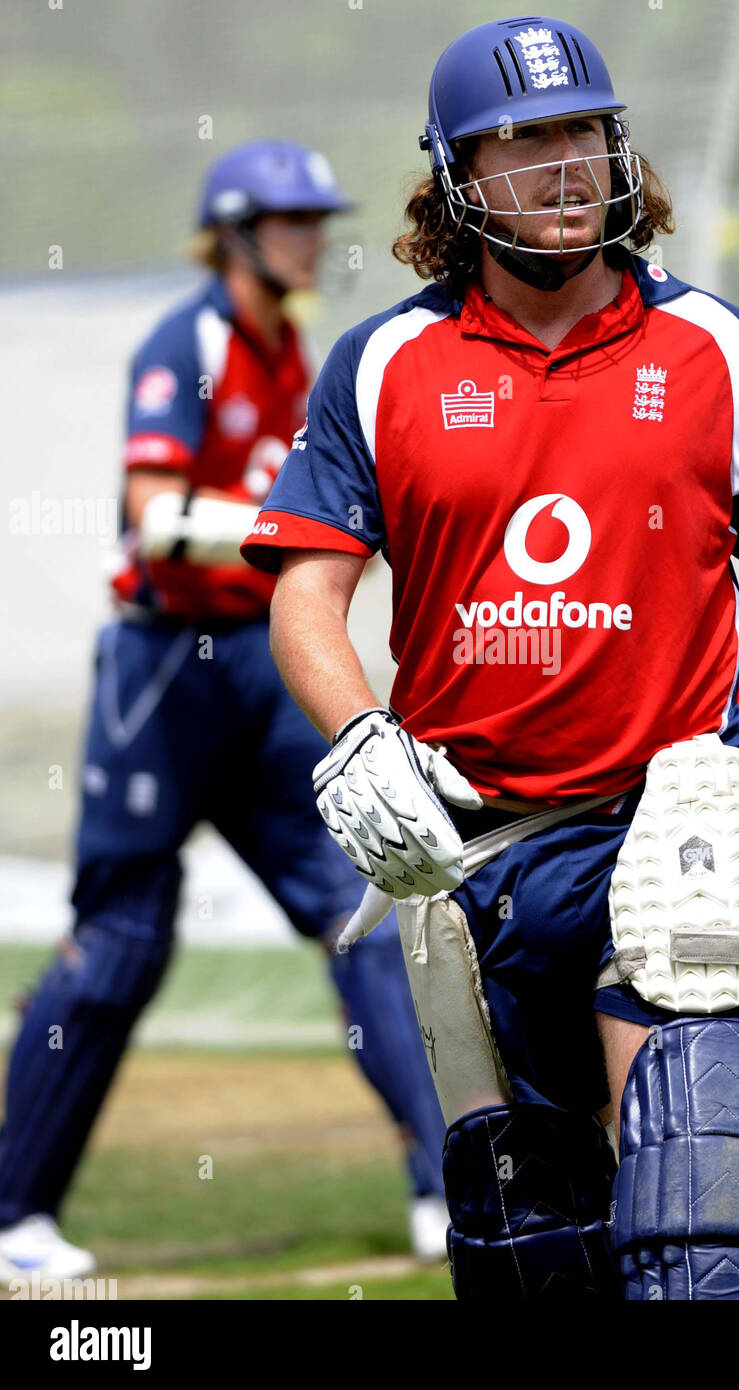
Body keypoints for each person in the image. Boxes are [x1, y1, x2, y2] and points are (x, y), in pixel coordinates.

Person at [242, 18, 739, 1301]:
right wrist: (356, 735)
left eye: (586, 133)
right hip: (478, 853)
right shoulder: (384, 365)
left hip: (676, 821)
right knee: (537, 1256)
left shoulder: (713, 348)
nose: (565, 165)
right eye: (525, 140)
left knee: (709, 1236)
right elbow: (304, 598)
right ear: (453, 176)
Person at [0, 140, 448, 1282]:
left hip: (261, 660)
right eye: (290, 218)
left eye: (317, 217)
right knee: (121, 943)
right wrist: (277, 531)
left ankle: (447, 1187)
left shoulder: (296, 350)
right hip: (166, 670)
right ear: (237, 230)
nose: (312, 235)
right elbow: (152, 515)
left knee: (369, 907)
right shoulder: (186, 341)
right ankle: (15, 1211)